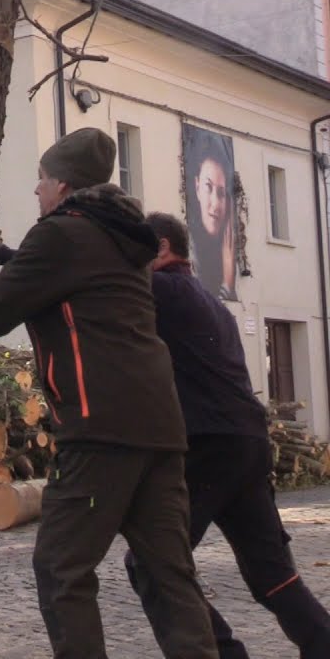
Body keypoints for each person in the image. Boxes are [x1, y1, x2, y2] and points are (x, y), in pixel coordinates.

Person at [0, 127, 217, 659]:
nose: (37, 189)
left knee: (60, 567)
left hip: (99, 431)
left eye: (42, 179)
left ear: (64, 185)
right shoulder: (122, 239)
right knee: (168, 574)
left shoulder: (63, 234)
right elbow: (51, 290)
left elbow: (2, 309)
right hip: (160, 429)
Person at [124, 212, 330, 659]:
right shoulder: (209, 300)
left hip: (210, 445)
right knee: (271, 574)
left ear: (161, 248)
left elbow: (95, 287)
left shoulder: (161, 290)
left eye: (134, 251)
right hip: (248, 443)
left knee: (152, 562)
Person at [186, 135, 237, 301]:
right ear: (197, 187)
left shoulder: (227, 248)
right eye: (208, 187)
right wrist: (227, 284)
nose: (215, 204)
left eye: (221, 193)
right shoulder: (189, 252)